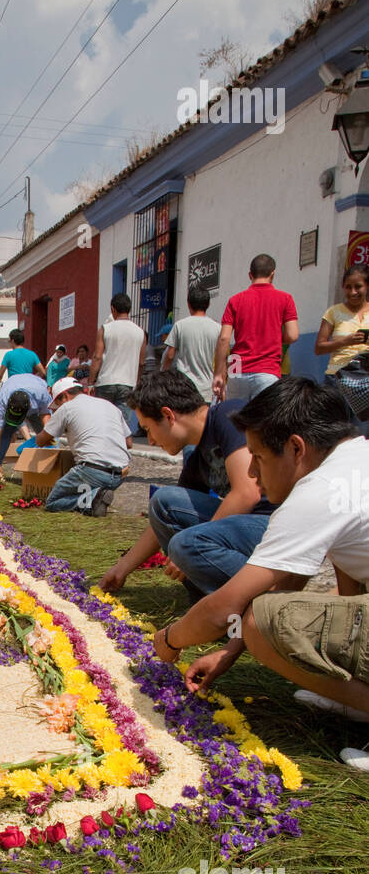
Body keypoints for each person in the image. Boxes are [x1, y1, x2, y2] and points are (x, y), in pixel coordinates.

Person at [150, 377, 369, 769]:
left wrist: (171, 638)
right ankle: (356, 692)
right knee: (269, 614)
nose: (252, 472)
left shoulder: (320, 489)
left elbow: (226, 609)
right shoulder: (352, 463)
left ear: (296, 448)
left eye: (259, 457)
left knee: (260, 621)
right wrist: (230, 652)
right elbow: (297, 585)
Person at [100, 371, 273, 601]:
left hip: (272, 525)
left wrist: (195, 542)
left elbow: (247, 492)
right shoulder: (197, 457)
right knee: (165, 504)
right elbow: (160, 520)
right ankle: (213, 597)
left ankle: (261, 597)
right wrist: (122, 568)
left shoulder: (226, 415)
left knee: (170, 512)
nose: (150, 441)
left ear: (168, 415)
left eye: (148, 429)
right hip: (246, 531)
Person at [38, 377, 131, 517]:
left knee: (52, 501)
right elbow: (128, 443)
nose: (57, 408)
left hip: (91, 471)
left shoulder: (67, 408)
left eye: (57, 402)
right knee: (83, 485)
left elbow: (41, 440)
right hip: (119, 474)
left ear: (64, 395)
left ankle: (92, 500)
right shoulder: (110, 406)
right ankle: (97, 495)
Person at [213, 253, 299, 402]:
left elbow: (224, 338)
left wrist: (219, 374)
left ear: (250, 275)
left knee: (235, 420)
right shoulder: (285, 299)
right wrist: (275, 336)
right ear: (273, 274)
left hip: (237, 368)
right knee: (261, 422)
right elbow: (292, 335)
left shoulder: (235, 300)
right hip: (267, 370)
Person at [315, 263, 369, 419]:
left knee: (363, 435)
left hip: (365, 382)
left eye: (358, 286)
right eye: (348, 287)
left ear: (367, 286)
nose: (353, 292)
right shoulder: (334, 312)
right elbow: (319, 348)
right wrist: (345, 341)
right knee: (337, 432)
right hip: (336, 379)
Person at [88, 294, 146, 426]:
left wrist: (91, 382)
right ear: (129, 309)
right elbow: (142, 362)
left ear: (113, 309)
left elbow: (97, 357)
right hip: (128, 383)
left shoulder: (105, 329)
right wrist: (136, 381)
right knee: (121, 425)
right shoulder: (140, 332)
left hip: (105, 382)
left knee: (102, 423)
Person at [0, 372, 52, 481]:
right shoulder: (2, 402)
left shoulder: (41, 394)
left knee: (50, 436)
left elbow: (46, 415)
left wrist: (47, 435)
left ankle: (51, 471)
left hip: (37, 407)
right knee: (3, 435)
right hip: (14, 386)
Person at [161, 286, 221, 401]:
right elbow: (221, 358)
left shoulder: (180, 325)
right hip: (207, 389)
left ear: (188, 304)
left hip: (183, 388)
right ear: (208, 304)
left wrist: (163, 374)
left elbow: (170, 355)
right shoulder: (217, 328)